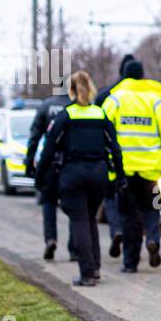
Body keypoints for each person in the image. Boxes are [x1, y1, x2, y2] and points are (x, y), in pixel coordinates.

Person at [38, 72, 124, 287]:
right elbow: (115, 148)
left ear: (71, 90)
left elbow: (48, 150)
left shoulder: (66, 116)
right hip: (98, 174)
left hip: (73, 174)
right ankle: (94, 269)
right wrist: (119, 176)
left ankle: (87, 274)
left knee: (79, 221)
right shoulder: (101, 115)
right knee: (90, 219)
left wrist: (40, 177)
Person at [100, 58, 161, 273]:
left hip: (125, 174)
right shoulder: (155, 101)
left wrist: (105, 163)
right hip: (153, 172)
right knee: (154, 208)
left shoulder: (115, 100)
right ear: (142, 75)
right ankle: (153, 240)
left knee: (128, 217)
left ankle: (130, 263)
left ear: (125, 76)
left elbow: (103, 131)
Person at [24, 88, 74, 261]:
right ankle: (74, 248)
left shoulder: (46, 106)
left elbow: (34, 137)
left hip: (51, 162)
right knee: (75, 206)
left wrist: (30, 162)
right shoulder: (74, 106)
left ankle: (50, 239)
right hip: (70, 163)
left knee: (49, 202)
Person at [95, 54, 134, 258]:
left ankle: (116, 231)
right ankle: (137, 240)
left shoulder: (105, 96)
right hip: (141, 162)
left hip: (109, 159)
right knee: (140, 204)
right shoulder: (146, 97)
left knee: (110, 199)